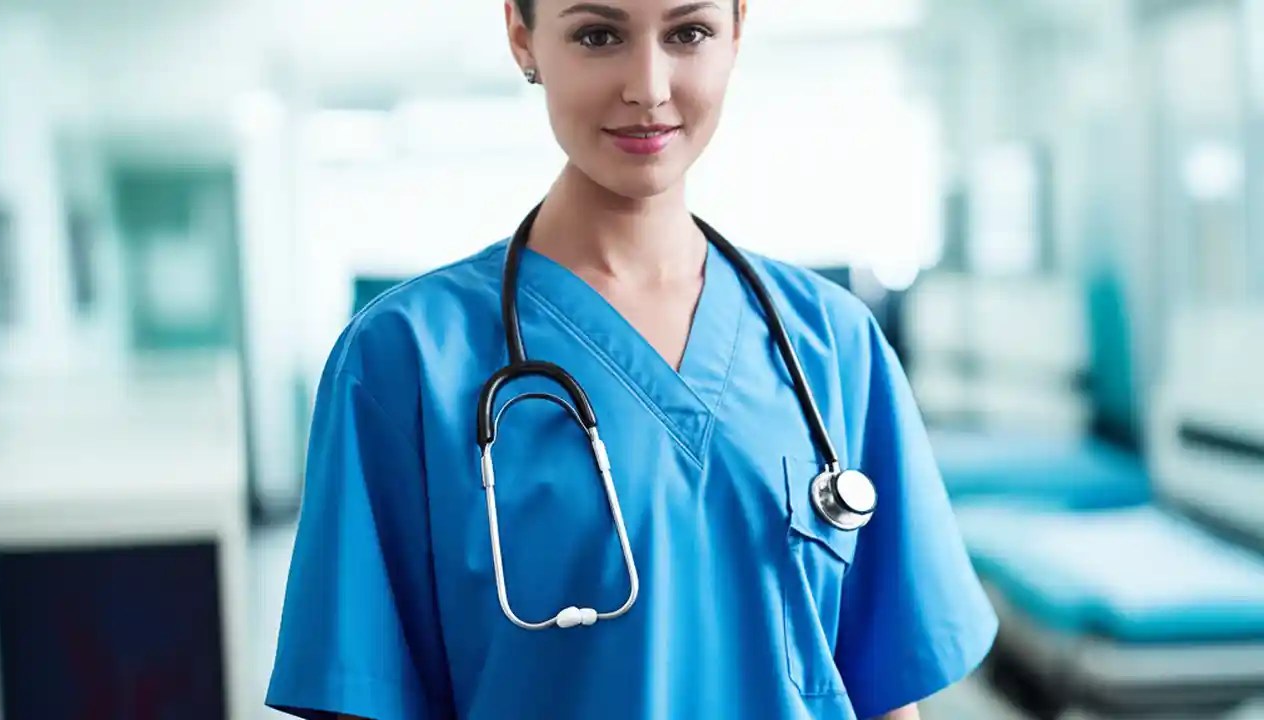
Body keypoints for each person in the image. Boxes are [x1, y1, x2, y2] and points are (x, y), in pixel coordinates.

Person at [265, 1, 998, 718]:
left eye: (689, 31)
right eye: (597, 34)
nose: (648, 87)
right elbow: (363, 695)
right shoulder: (404, 360)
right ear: (522, 36)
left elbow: (887, 692)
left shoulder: (835, 346)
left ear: (738, 30)